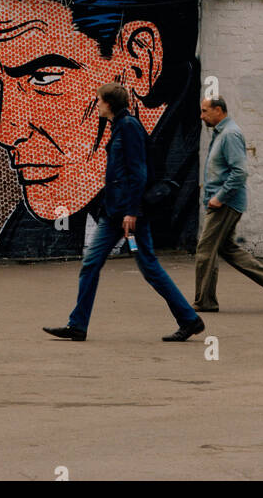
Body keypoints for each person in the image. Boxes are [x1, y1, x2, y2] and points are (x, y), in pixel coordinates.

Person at [0, 0, 200, 258]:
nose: (8, 133)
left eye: (43, 78)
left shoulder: (194, 199)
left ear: (139, 61)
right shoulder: (32, 229)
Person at [43, 83, 204, 342]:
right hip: (114, 213)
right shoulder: (119, 127)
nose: (96, 105)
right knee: (91, 265)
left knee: (149, 268)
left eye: (99, 101)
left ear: (109, 103)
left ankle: (189, 319)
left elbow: (138, 173)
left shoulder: (128, 127)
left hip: (129, 216)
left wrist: (132, 211)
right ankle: (78, 325)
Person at [193, 96, 263, 312]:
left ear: (218, 110)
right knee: (225, 247)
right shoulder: (222, 133)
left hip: (225, 203)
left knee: (205, 251)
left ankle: (205, 302)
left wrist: (219, 197)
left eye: (205, 111)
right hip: (223, 201)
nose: (201, 116)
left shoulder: (230, 134)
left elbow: (240, 172)